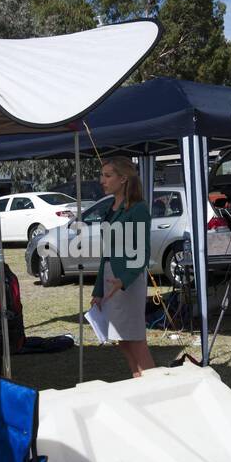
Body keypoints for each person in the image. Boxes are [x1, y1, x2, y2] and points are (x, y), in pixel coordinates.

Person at [91, 157, 155, 378]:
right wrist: (97, 290)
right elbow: (106, 254)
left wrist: (124, 280)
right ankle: (138, 382)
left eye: (108, 175)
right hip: (112, 279)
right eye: (102, 175)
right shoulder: (111, 208)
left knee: (135, 340)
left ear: (124, 179)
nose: (102, 180)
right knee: (122, 340)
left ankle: (154, 389)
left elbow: (143, 253)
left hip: (128, 281)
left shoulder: (138, 209)